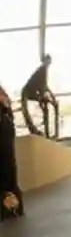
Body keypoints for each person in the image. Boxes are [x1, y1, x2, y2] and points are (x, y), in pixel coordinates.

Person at [19, 54, 58, 138]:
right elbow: (42, 88)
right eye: (47, 61)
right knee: (28, 112)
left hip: (31, 92)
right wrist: (50, 98)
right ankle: (39, 131)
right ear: (44, 61)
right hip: (28, 92)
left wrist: (52, 96)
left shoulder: (44, 71)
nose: (49, 63)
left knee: (45, 106)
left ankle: (45, 131)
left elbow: (44, 87)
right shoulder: (42, 70)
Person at [0, 83, 22, 221]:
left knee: (7, 168)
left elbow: (6, 104)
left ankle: (12, 208)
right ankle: (11, 207)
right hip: (5, 129)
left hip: (4, 130)